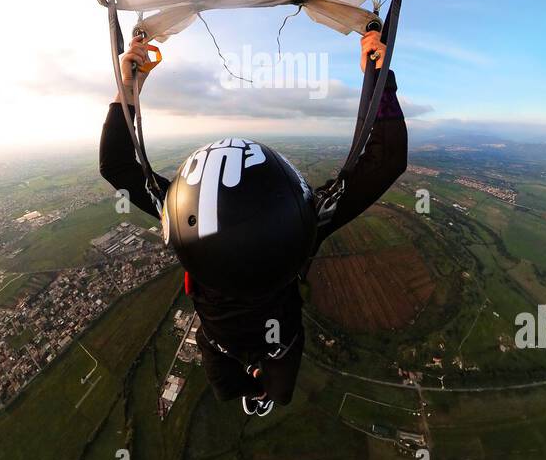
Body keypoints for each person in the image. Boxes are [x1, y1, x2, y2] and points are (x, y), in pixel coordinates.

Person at [99, 31, 407, 416]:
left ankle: (256, 385)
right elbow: (385, 161)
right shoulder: (299, 223)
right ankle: (257, 385)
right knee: (267, 391)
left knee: (253, 390)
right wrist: (378, 79)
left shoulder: (185, 217)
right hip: (267, 343)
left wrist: (129, 87)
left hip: (220, 342)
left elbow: (117, 165)